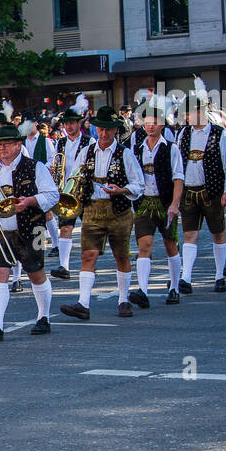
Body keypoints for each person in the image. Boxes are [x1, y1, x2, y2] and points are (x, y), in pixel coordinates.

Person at [0, 117, 58, 340]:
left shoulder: (35, 167)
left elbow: (53, 195)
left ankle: (44, 317)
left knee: (36, 272)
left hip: (33, 227)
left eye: (7, 144)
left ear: (18, 145)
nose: (2, 148)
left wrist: (29, 201)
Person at [59, 107, 144, 320]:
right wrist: (73, 192)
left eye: (108, 130)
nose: (104, 134)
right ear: (95, 128)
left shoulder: (125, 153)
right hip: (92, 208)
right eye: (100, 129)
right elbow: (74, 176)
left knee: (121, 255)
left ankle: (123, 299)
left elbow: (139, 184)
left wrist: (123, 190)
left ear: (115, 130)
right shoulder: (86, 151)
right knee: (88, 255)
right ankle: (83, 303)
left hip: (119, 210)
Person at [177, 103, 226, 293]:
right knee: (189, 234)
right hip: (189, 191)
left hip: (212, 191)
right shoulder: (183, 134)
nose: (186, 116)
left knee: (218, 233)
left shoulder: (220, 134)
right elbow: (178, 164)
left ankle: (219, 276)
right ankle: (186, 277)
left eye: (188, 112)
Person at [127, 104, 185, 307]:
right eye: (147, 123)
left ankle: (174, 288)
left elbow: (178, 178)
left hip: (166, 202)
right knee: (144, 246)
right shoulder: (136, 148)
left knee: (171, 244)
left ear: (162, 125)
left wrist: (175, 204)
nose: (150, 126)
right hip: (144, 203)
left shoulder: (171, 148)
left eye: (154, 123)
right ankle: (142, 290)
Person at [49, 110, 92, 280]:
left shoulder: (90, 141)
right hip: (67, 190)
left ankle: (89, 264)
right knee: (65, 228)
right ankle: (64, 266)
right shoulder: (60, 143)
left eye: (72, 123)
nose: (68, 126)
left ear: (79, 124)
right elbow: (58, 164)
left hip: (84, 190)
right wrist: (55, 171)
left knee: (89, 228)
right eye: (66, 124)